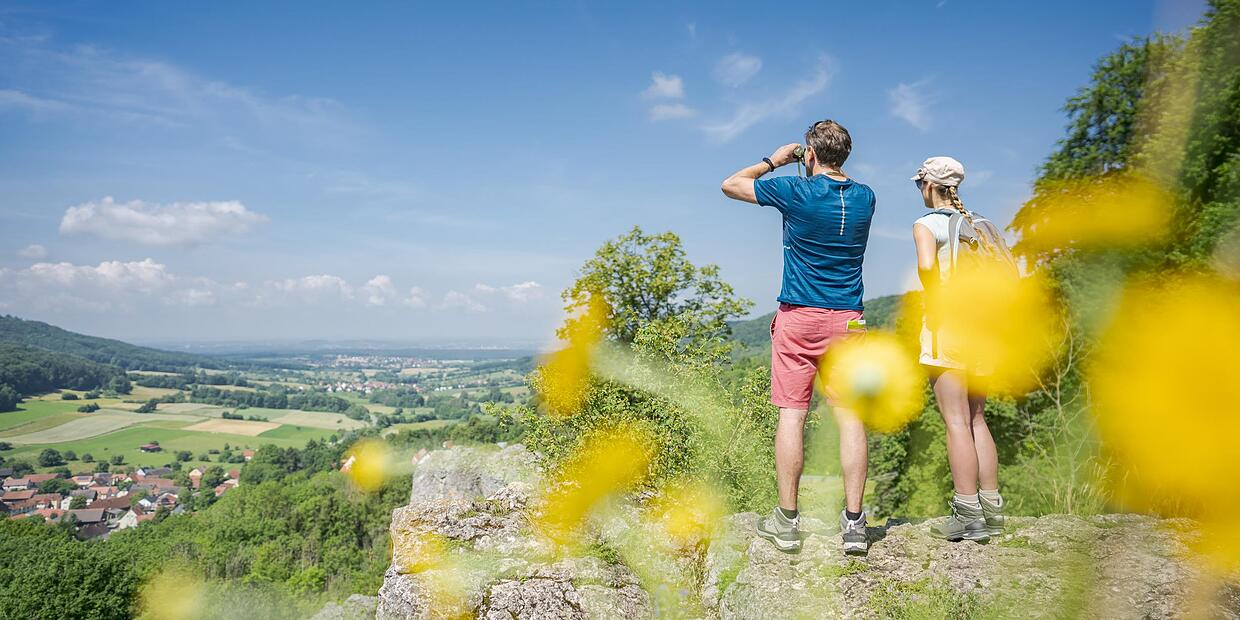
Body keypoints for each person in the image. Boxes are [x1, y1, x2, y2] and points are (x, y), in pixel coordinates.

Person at [721, 120, 876, 555]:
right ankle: (855, 525)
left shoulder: (796, 191)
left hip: (800, 317)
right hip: (850, 320)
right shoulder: (866, 197)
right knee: (850, 417)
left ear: (809, 154)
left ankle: (787, 522)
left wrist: (774, 160)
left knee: (792, 415)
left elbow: (731, 184)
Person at [910, 156, 1005, 543]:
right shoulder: (981, 224)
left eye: (919, 184)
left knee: (955, 420)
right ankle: (993, 509)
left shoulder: (927, 224)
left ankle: (968, 515)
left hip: (949, 329)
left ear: (930, 186)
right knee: (977, 418)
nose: (919, 190)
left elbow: (928, 269)